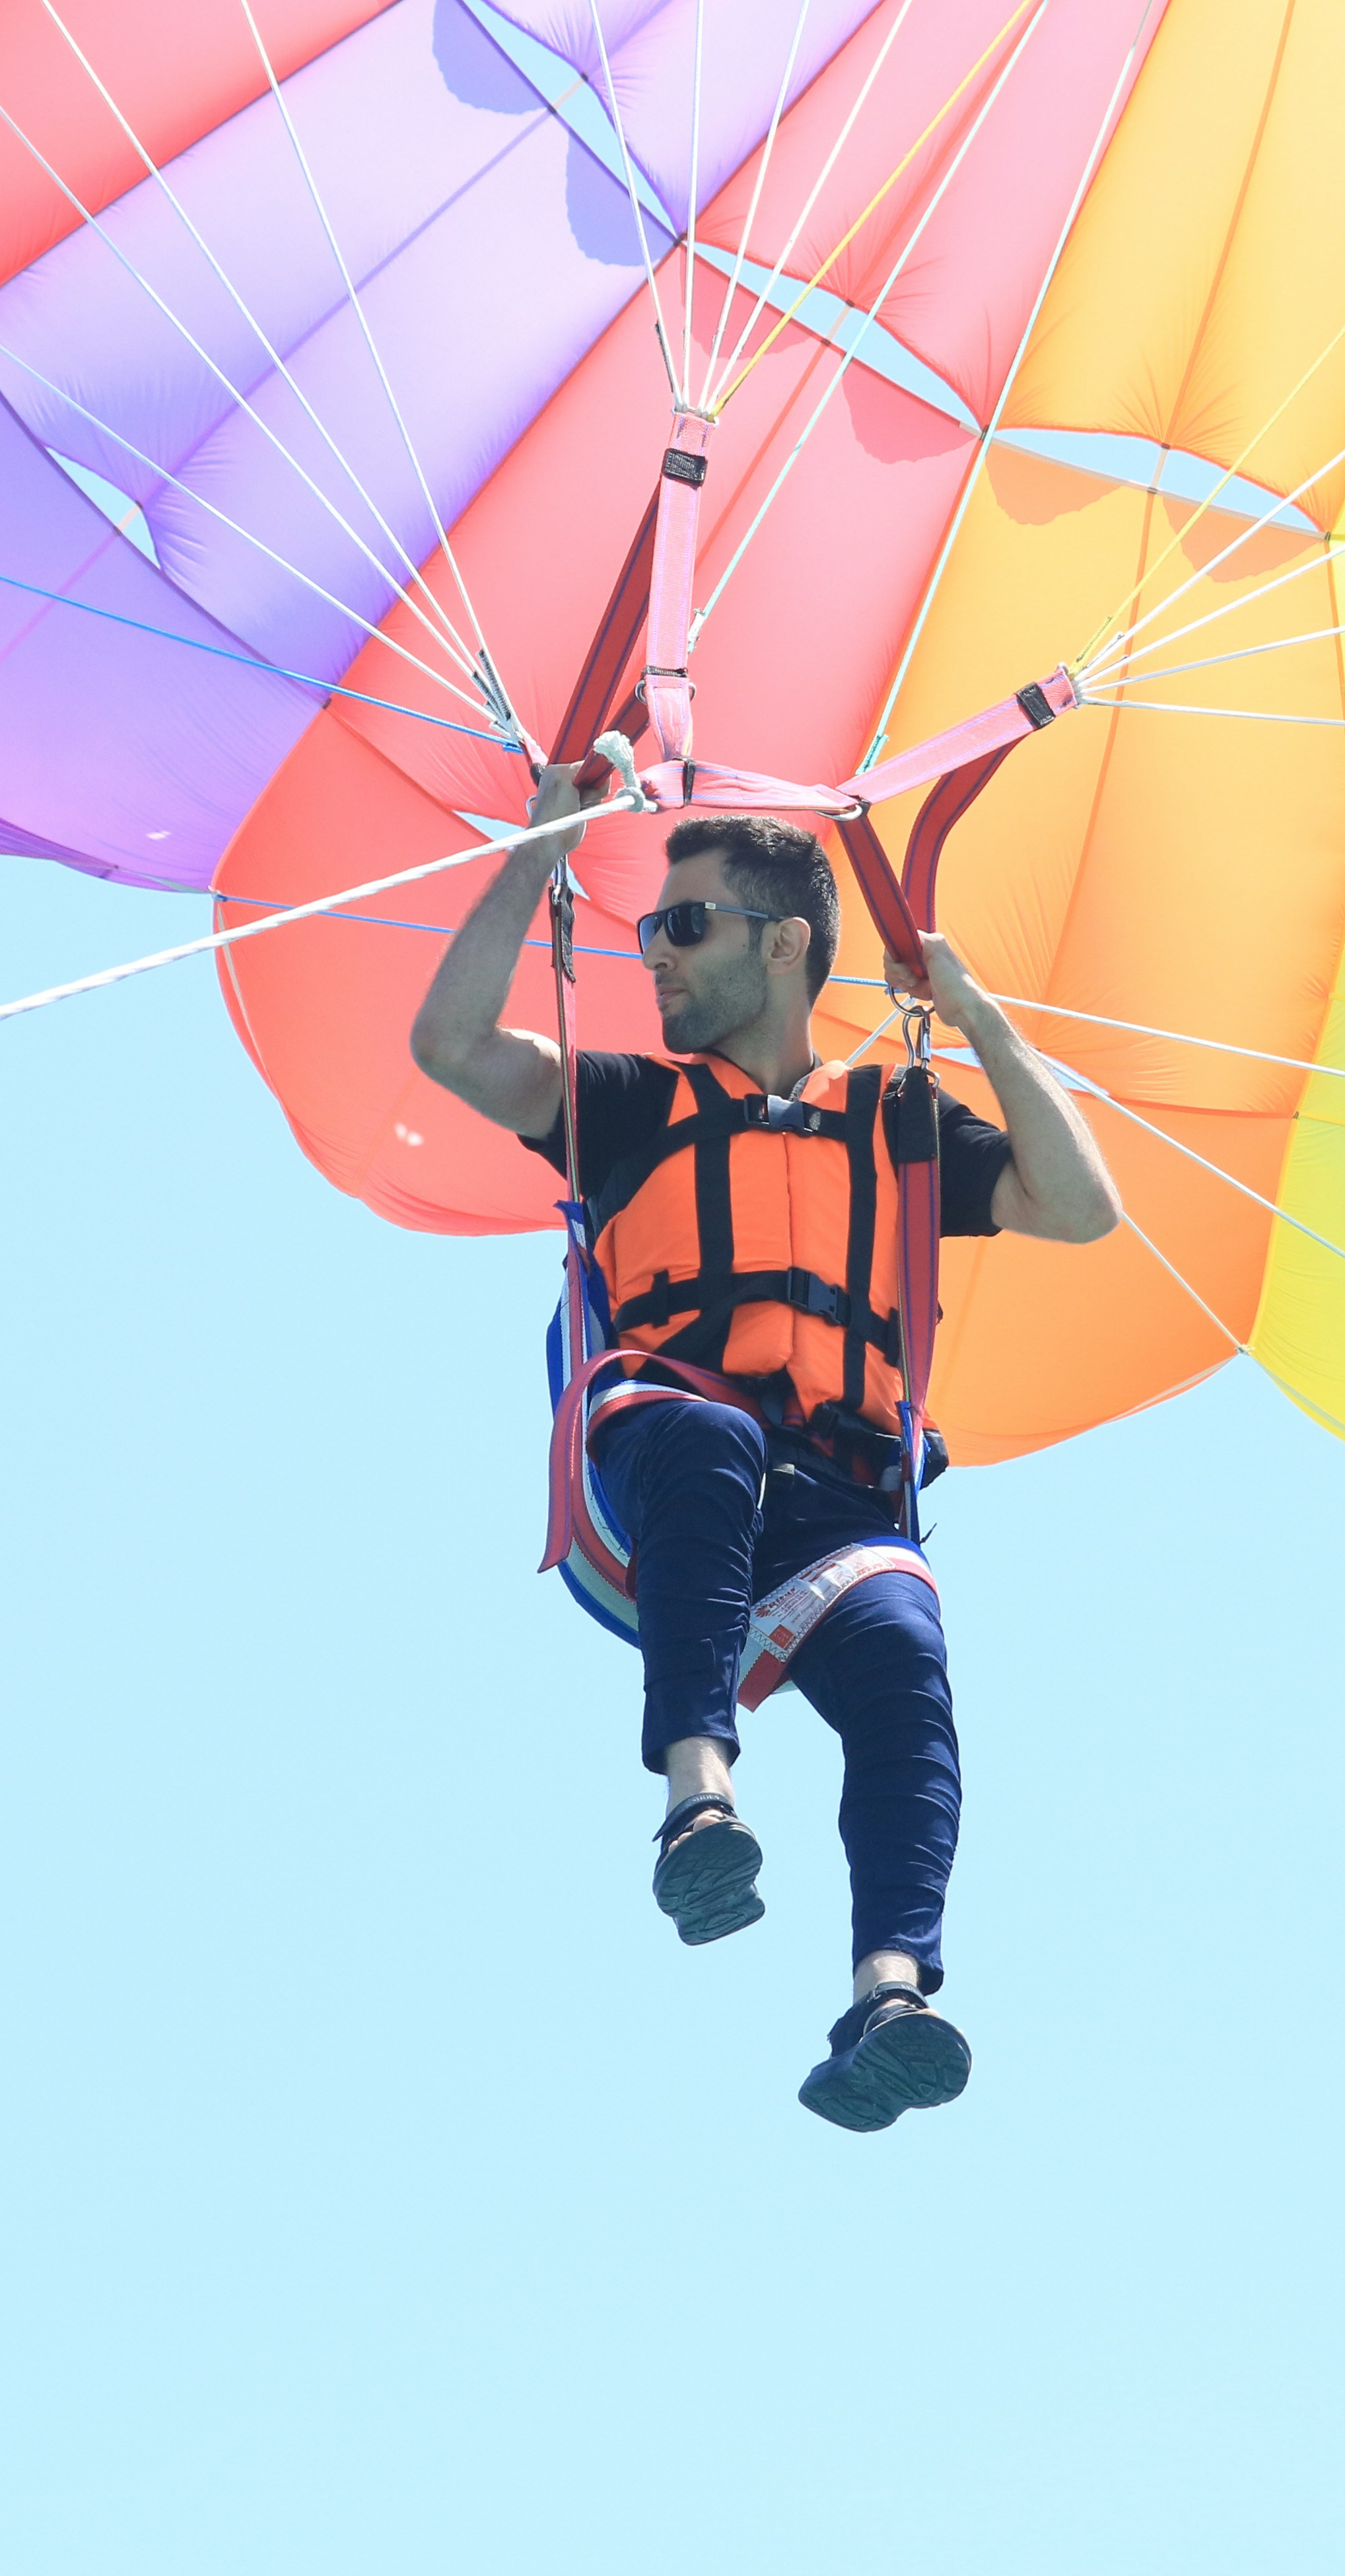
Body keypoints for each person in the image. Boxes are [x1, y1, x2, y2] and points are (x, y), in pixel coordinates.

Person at [410, 761, 1121, 2130]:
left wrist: (970, 1016)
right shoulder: (626, 1100)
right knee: (710, 1434)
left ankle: (890, 1996)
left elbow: (1078, 1204)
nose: (654, 952)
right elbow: (451, 1046)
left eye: (685, 926)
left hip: (838, 1502)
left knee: (910, 1645)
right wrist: (540, 847)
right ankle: (698, 1802)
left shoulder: (898, 1125)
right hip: (659, 1479)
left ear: (782, 942)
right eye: (645, 928)